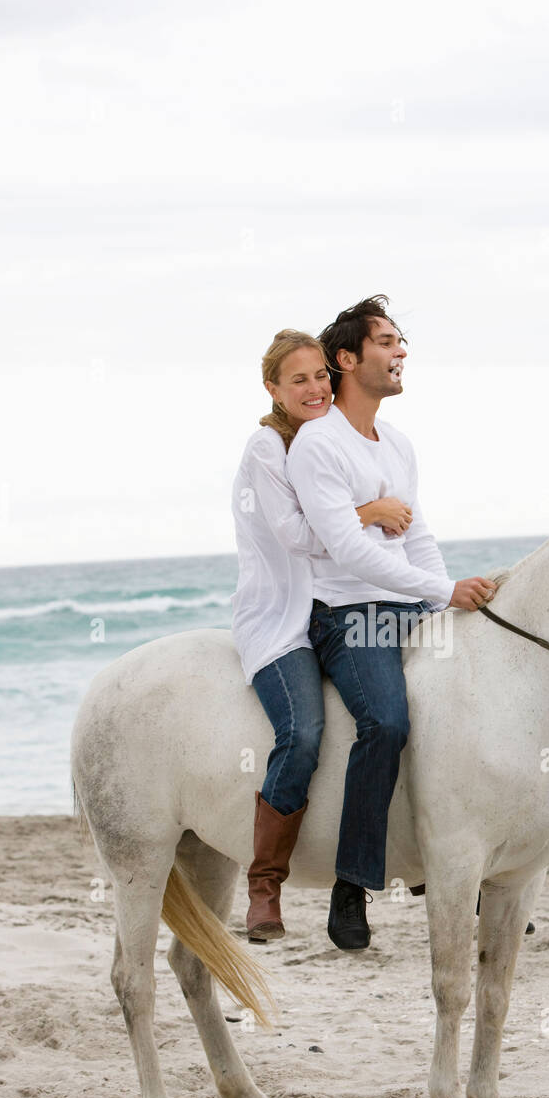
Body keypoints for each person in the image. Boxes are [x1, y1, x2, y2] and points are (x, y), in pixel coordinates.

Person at [286, 295, 497, 951]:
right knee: (387, 722)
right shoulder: (318, 444)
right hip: (347, 614)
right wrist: (440, 589)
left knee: (471, 708)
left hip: (409, 605)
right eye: (386, 341)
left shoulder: (398, 444)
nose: (400, 350)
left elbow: (418, 534)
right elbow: (347, 550)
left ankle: (456, 872)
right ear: (346, 359)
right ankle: (352, 883)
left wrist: (444, 602)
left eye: (400, 339)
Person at [231, 329, 413, 942]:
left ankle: (417, 863)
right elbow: (299, 536)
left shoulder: (331, 440)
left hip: (326, 608)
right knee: (302, 733)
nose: (313, 388)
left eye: (318, 377)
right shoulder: (267, 447)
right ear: (273, 390)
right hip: (277, 619)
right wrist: (370, 513)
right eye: (297, 380)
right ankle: (264, 885)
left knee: (404, 702)